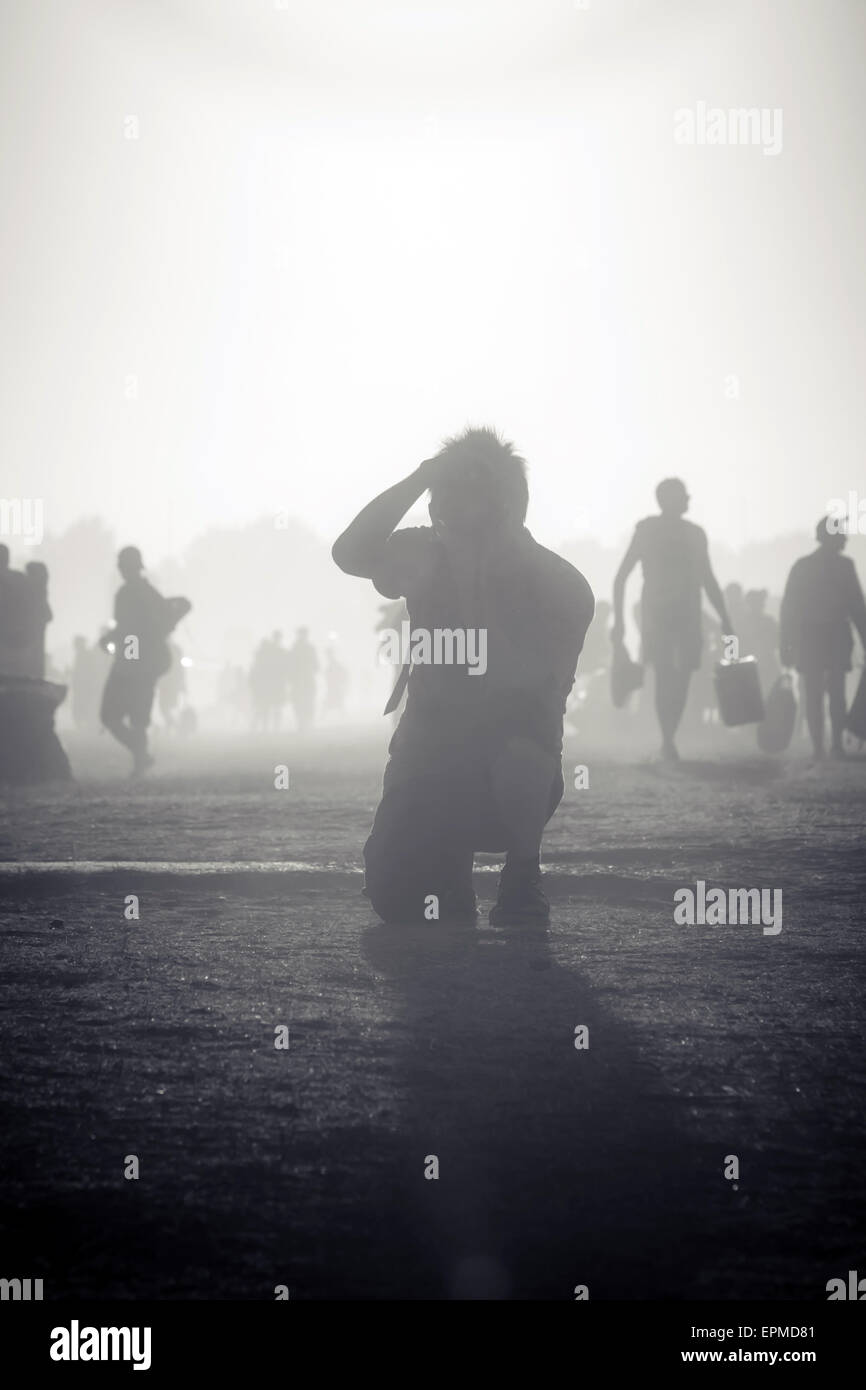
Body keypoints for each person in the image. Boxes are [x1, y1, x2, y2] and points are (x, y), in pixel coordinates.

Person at [332, 426, 594, 927]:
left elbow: (537, 702)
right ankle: (448, 867)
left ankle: (522, 873)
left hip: (511, 767)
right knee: (402, 901)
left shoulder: (560, 586)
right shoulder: (427, 554)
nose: (455, 520)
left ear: (507, 511)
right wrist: (421, 477)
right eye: (446, 501)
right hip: (431, 760)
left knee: (521, 747)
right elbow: (349, 554)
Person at [612, 478, 732, 760]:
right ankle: (668, 738)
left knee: (677, 676)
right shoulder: (656, 531)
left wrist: (726, 618)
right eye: (684, 495)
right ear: (671, 499)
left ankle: (668, 737)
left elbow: (708, 580)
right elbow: (709, 581)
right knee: (670, 676)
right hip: (666, 617)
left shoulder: (684, 533)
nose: (689, 499)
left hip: (674, 617)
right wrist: (619, 621)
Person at [99, 546, 191, 775]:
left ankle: (140, 757)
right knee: (136, 716)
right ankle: (141, 755)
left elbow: (130, 631)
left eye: (123, 565)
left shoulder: (129, 594)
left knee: (115, 715)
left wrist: (129, 660)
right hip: (144, 664)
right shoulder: (146, 593)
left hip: (134, 665)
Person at [780, 516, 866, 759]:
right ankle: (832, 744)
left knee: (816, 691)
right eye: (841, 534)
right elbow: (857, 606)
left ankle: (822, 744)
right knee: (831, 691)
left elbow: (788, 609)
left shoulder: (804, 566)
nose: (846, 539)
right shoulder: (843, 566)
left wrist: (785, 642)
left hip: (814, 636)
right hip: (829, 634)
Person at [287, 627, 319, 732]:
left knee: (300, 701)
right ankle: (305, 722)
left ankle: (302, 722)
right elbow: (316, 666)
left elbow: (290, 664)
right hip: (305, 679)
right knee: (306, 700)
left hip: (299, 680)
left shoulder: (295, 648)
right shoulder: (309, 648)